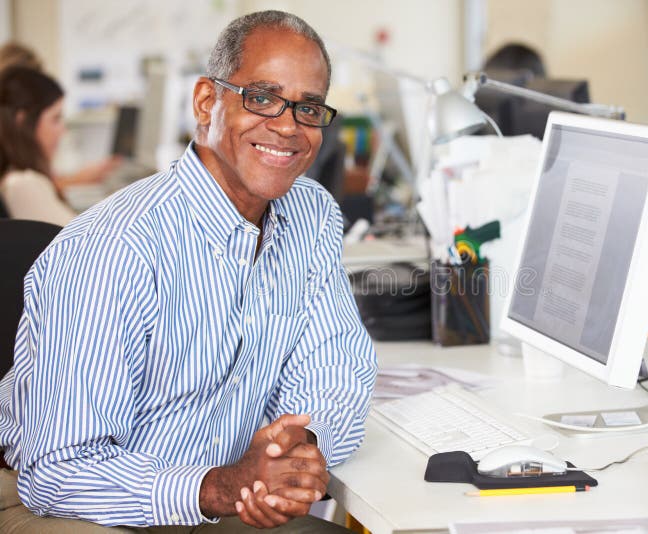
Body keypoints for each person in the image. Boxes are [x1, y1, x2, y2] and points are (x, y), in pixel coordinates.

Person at [0, 10, 376, 533]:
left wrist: (295, 452)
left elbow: (335, 369)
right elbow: (59, 473)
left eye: (308, 107)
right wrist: (221, 486)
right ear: (206, 102)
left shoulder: (310, 214)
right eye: (262, 98)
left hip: (222, 496)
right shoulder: (114, 249)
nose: (288, 126)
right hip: (77, 505)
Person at [0, 41, 122, 194]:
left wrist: (81, 177)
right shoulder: (16, 177)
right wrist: (80, 178)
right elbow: (32, 191)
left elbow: (44, 185)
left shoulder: (21, 157)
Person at [0, 66, 76, 225]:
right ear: (23, 121)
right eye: (55, 119)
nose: (62, 130)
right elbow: (85, 243)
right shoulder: (23, 184)